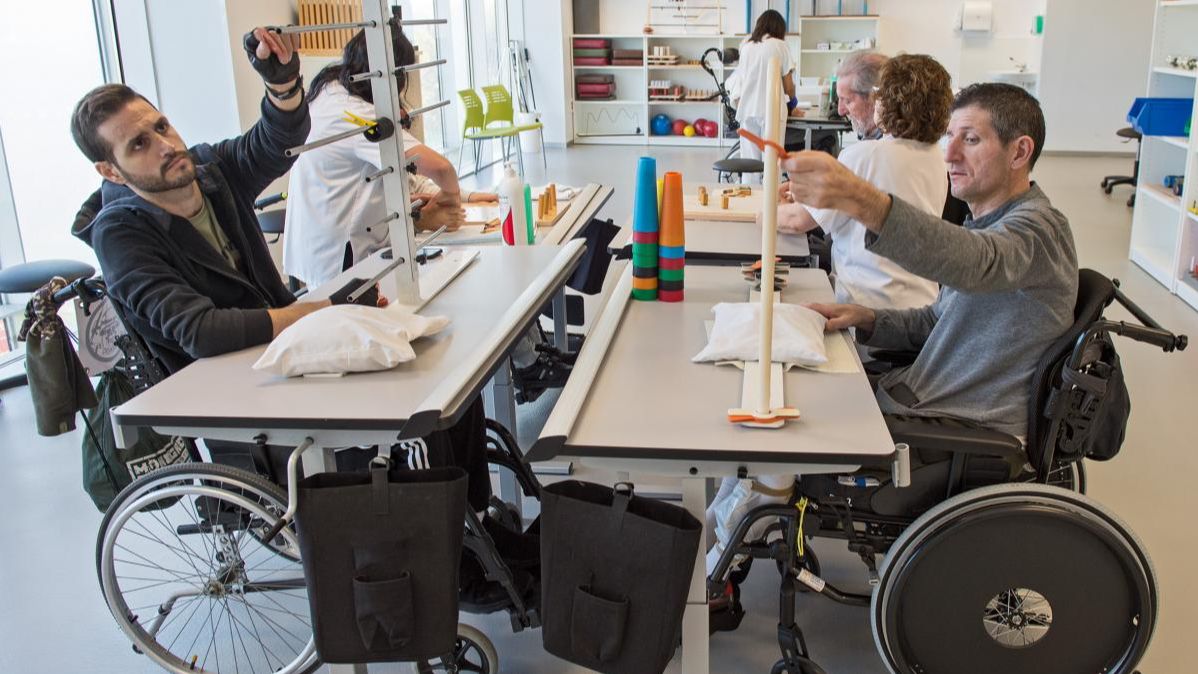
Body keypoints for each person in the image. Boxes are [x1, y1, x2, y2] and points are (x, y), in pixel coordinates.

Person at [789, 82, 1078, 438]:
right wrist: (868, 318)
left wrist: (862, 199)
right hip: (921, 399)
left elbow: (977, 263)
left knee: (790, 422)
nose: (949, 154)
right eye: (949, 137)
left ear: (1019, 153)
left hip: (959, 427)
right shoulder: (988, 224)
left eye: (970, 140)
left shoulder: (1040, 230)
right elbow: (938, 321)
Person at [283, 27, 466, 289]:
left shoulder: (330, 91)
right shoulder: (355, 115)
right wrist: (451, 200)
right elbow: (441, 168)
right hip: (338, 255)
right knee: (350, 319)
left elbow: (390, 180)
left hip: (320, 242)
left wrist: (443, 201)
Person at [776, 54, 947, 310]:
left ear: (882, 101)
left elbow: (796, 221)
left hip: (868, 309)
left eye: (848, 100)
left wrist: (766, 210)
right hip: (923, 309)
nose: (841, 109)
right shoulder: (937, 156)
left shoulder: (865, 155)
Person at [727, 9, 796, 168]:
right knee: (771, 163)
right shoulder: (780, 45)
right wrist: (793, 104)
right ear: (779, 28)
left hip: (747, 110)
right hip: (771, 111)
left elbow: (741, 79)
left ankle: (749, 191)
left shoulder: (746, 45)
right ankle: (771, 193)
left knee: (749, 164)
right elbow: (788, 87)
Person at [834, 50, 888, 141]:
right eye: (839, 99)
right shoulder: (874, 136)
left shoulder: (885, 145)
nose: (840, 111)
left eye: (848, 101)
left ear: (874, 97)